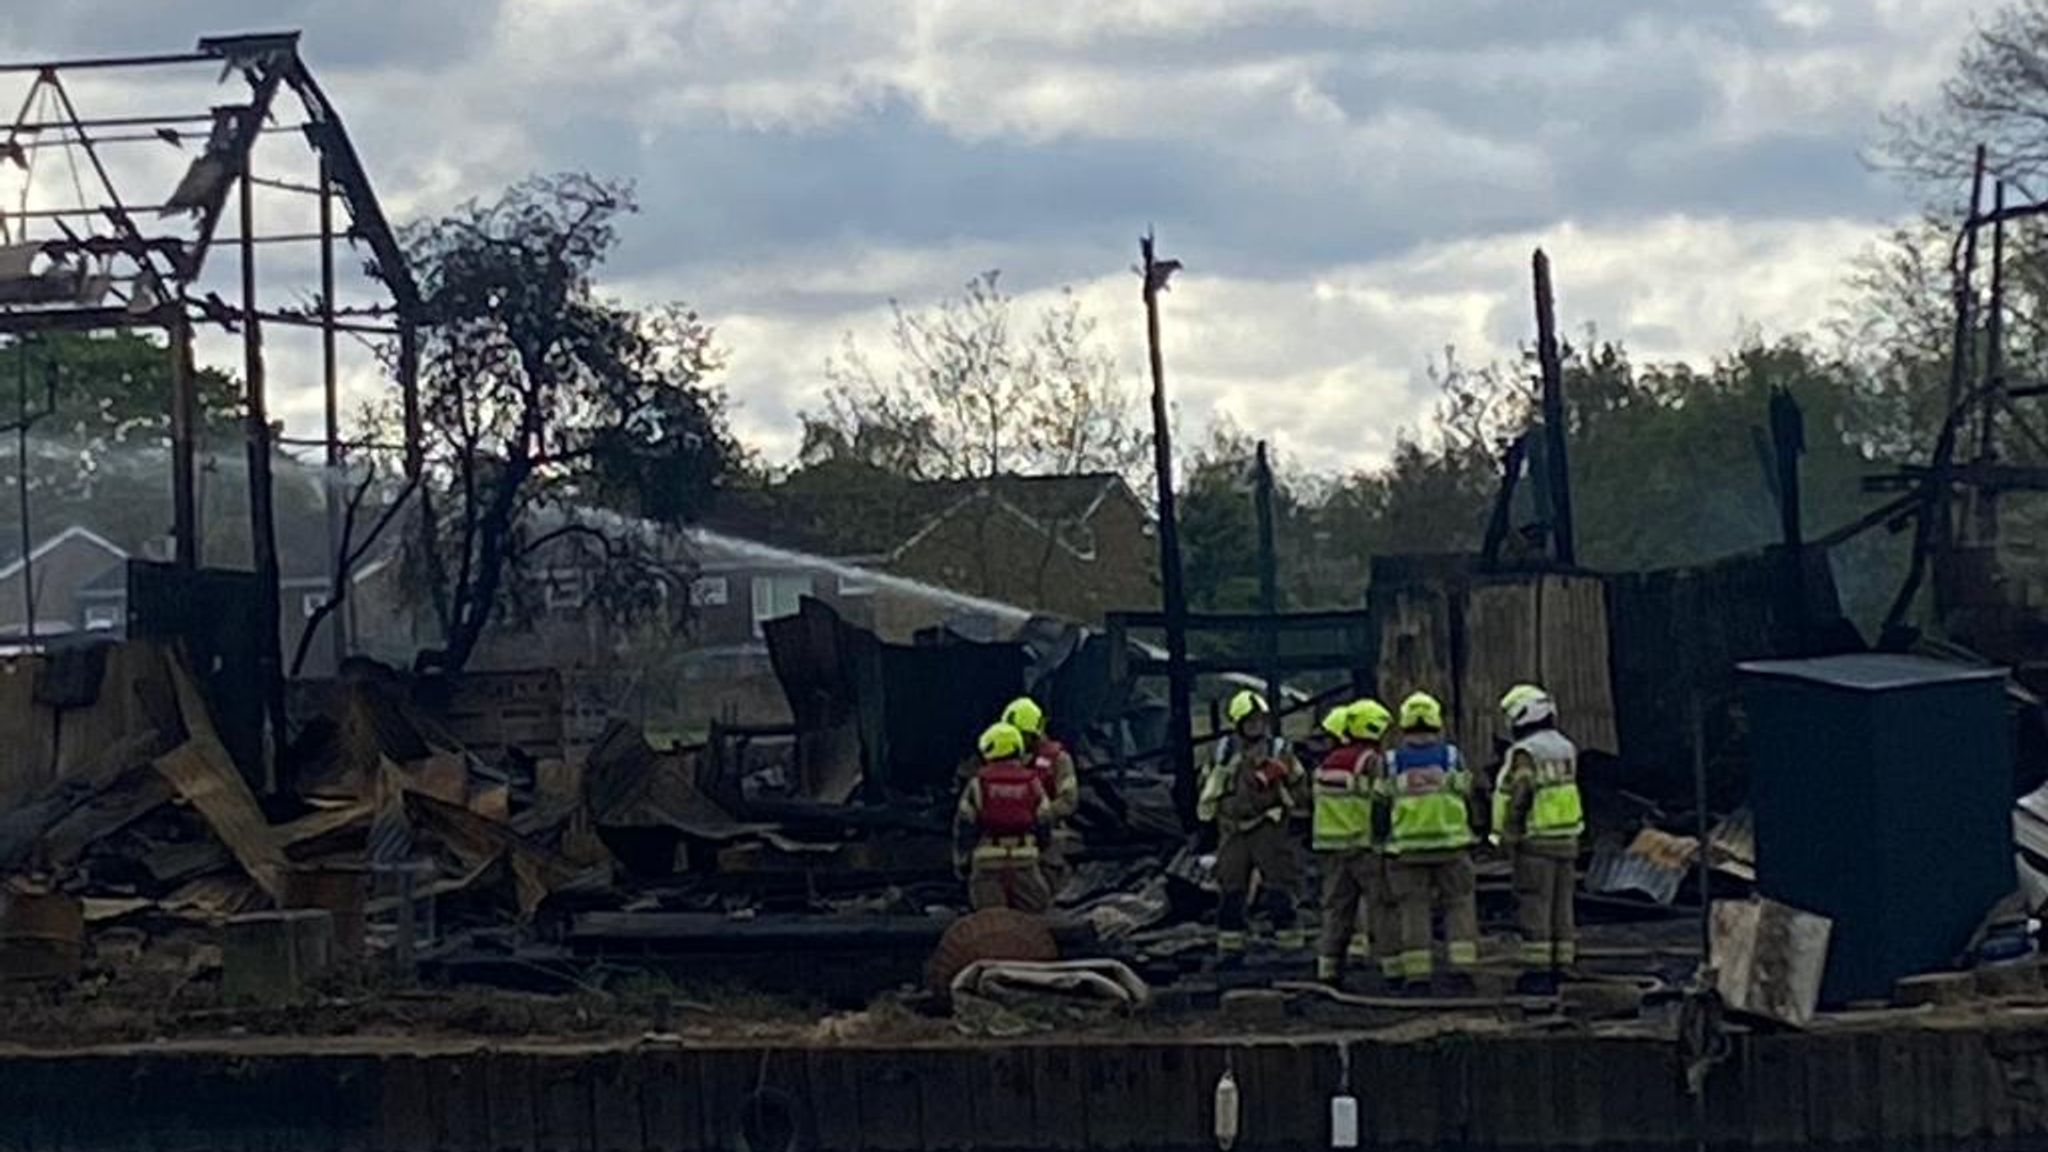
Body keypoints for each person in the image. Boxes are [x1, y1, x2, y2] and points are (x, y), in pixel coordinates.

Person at [1381, 691, 1479, 991]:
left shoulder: (1392, 761)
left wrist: (1381, 838)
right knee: (1459, 904)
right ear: (1437, 723)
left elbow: (1380, 802)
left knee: (1413, 910)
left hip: (1407, 849)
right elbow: (1468, 793)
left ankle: (1417, 977)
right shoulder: (1451, 757)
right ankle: (1462, 970)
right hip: (1451, 846)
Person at [1199, 689, 1306, 961]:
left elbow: (1299, 787)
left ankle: (1289, 946)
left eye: (1260, 720)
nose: (1256, 726)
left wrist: (1280, 778)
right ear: (1238, 724)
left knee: (1279, 884)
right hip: (1233, 829)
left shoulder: (1279, 749)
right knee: (1231, 888)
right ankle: (1231, 949)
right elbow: (1208, 786)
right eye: (1250, 721)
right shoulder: (1223, 751)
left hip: (1268, 828)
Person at [1495, 683, 1585, 994]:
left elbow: (1522, 791)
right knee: (1562, 907)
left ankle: (1537, 972)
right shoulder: (1565, 747)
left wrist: (1511, 831)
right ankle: (1564, 965)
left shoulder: (1526, 752)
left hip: (1536, 842)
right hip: (1566, 839)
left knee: (1535, 905)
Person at [1312, 698, 1395, 985]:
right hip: (1364, 846)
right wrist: (1385, 837)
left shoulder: (1328, 763)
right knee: (1383, 906)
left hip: (1331, 850)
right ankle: (1392, 970)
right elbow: (1383, 802)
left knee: (1336, 910)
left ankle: (1328, 969)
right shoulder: (1371, 762)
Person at [954, 722, 1053, 912]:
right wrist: (1042, 849)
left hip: (986, 861)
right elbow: (1045, 819)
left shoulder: (978, 783)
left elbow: (964, 824)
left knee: (990, 921)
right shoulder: (1033, 782)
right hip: (1025, 859)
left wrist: (962, 861)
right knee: (1034, 918)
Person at [1000, 696, 1080, 888]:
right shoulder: (1007, 758)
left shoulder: (1059, 760)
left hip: (1047, 835)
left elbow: (1068, 801)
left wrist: (1036, 816)